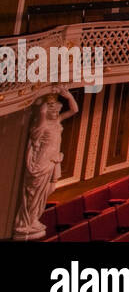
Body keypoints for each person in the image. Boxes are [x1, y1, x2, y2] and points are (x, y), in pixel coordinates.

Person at [13, 87, 78, 240]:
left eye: (57, 111)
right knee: (34, 193)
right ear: (45, 112)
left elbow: (74, 110)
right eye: (52, 111)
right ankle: (29, 220)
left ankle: (34, 217)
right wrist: (42, 106)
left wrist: (69, 97)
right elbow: (41, 117)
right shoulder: (41, 125)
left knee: (50, 187)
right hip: (42, 160)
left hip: (55, 159)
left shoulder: (57, 121)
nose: (55, 113)